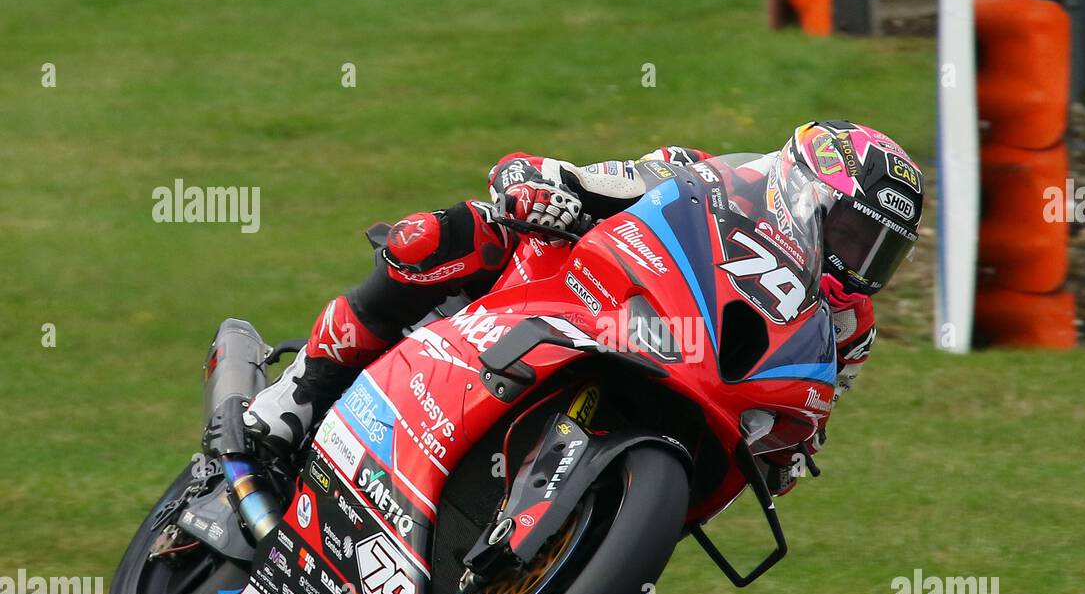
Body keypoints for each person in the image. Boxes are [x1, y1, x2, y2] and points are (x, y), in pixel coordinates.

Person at [243, 120, 924, 491]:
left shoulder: (847, 327)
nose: (860, 265)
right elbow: (600, 182)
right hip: (579, 294)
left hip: (689, 385)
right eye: (852, 235)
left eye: (879, 253)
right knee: (446, 236)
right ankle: (293, 399)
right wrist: (547, 187)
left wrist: (787, 454)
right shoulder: (710, 180)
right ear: (802, 197)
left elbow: (808, 419)